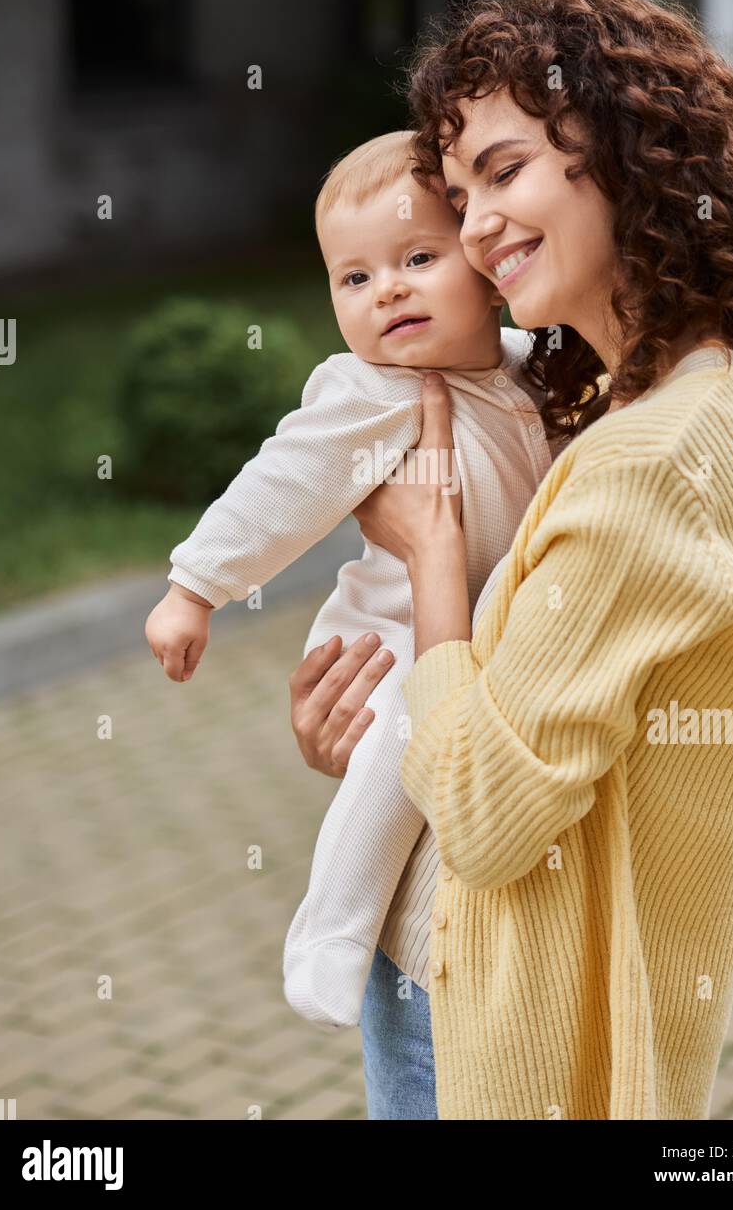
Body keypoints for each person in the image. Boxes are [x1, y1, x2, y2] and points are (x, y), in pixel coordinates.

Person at [287, 0, 733, 1119]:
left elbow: (486, 816)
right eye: (455, 192)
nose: (474, 222)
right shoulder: (706, 396)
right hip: (479, 993)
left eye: (505, 169)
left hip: (495, 1029)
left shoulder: (657, 456)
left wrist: (432, 552)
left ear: (632, 153)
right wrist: (390, 717)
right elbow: (516, 720)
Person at [145, 130, 556, 1031]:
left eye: (417, 257)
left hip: (492, 635)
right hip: (397, 634)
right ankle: (332, 930)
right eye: (355, 277)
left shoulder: (539, 368)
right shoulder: (374, 390)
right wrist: (196, 587)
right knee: (400, 754)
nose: (388, 290)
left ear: (486, 263)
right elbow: (283, 483)